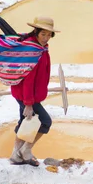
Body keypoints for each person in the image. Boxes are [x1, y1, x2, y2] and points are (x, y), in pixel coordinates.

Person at [9, 17, 59, 167]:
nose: (46, 38)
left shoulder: (40, 48)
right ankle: (26, 150)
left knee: (24, 122)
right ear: (36, 32)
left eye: (49, 35)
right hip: (26, 95)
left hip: (24, 94)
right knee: (45, 122)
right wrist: (29, 104)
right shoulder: (33, 51)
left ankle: (15, 155)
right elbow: (29, 80)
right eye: (43, 34)